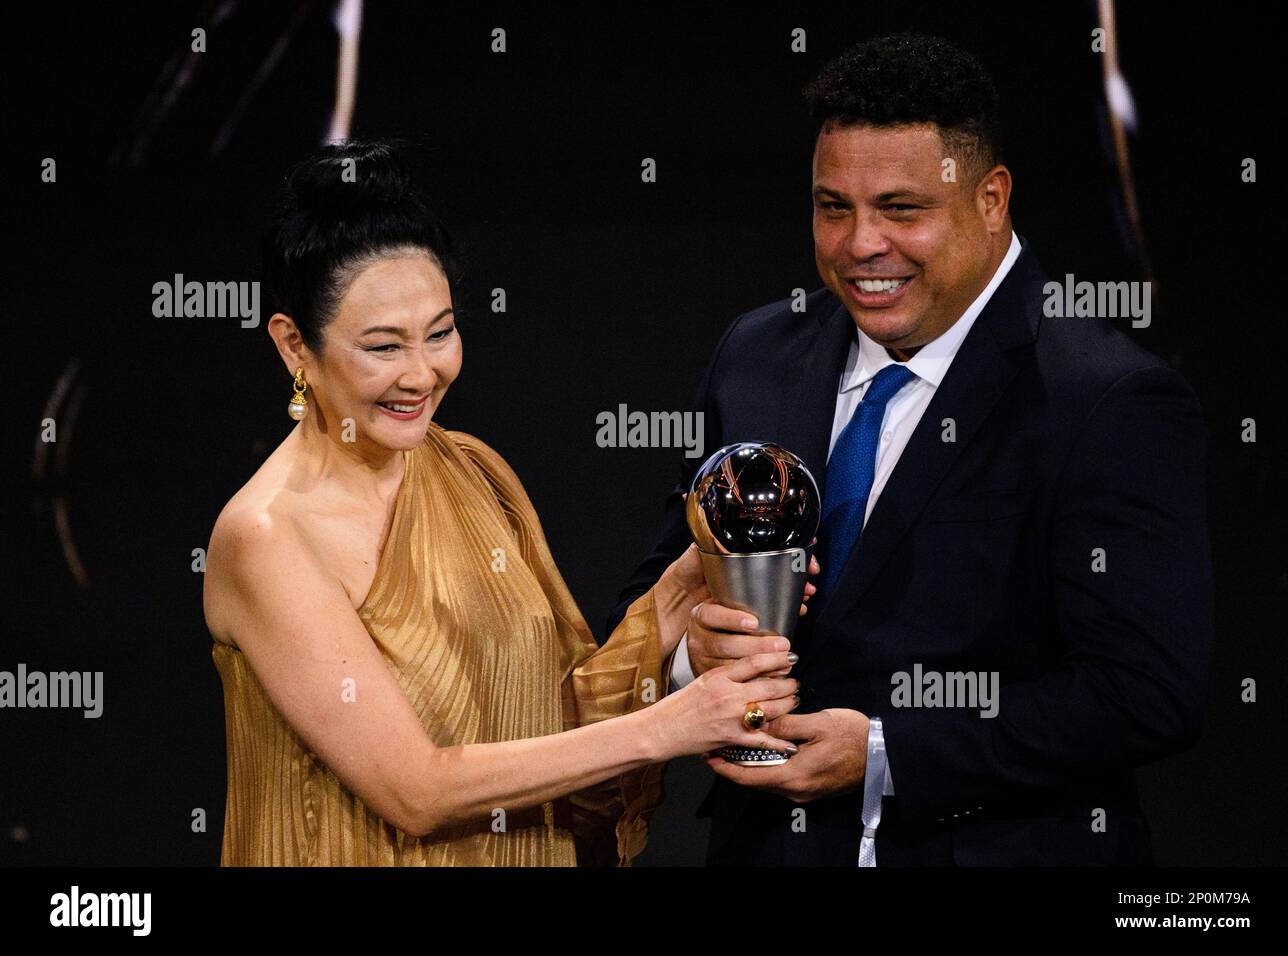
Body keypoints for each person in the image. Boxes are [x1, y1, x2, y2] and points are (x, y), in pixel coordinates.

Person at [608, 33, 1212, 866]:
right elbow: (657, 591)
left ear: (992, 198)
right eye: (833, 207)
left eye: (902, 209)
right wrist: (687, 656)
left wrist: (889, 756)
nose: (860, 246)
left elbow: (1149, 693)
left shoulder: (1106, 398)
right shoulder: (757, 355)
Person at [202, 140, 804, 866]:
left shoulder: (472, 469)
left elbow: (563, 713)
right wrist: (675, 726)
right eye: (383, 347)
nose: (422, 374)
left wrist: (684, 588)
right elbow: (415, 791)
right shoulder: (266, 536)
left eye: (442, 332)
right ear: (295, 346)